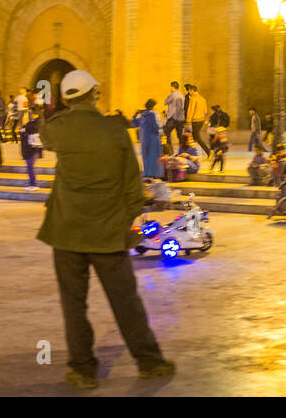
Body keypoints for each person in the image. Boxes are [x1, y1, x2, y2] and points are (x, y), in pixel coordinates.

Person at [37, 69, 174, 389]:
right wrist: (127, 221)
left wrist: (55, 105)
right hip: (108, 233)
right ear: (94, 94)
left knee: (73, 304)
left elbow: (45, 133)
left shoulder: (59, 129)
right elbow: (131, 184)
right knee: (126, 300)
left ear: (68, 100)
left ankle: (82, 370)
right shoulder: (114, 130)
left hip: (66, 232)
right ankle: (149, 362)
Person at [130, 99, 163, 179]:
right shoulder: (154, 114)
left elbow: (133, 123)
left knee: (146, 156)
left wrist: (135, 114)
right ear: (153, 106)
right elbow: (156, 126)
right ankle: (154, 174)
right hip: (153, 138)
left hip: (144, 139)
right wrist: (160, 132)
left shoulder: (142, 115)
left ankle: (147, 173)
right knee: (154, 156)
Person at [20, 106, 44, 192]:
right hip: (28, 148)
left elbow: (33, 129)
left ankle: (34, 184)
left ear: (36, 114)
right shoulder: (28, 123)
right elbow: (23, 131)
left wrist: (25, 130)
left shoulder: (39, 122)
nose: (30, 115)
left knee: (30, 165)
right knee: (29, 165)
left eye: (31, 113)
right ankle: (32, 184)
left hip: (35, 148)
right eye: (29, 113)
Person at [184, 84, 210, 157]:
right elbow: (205, 111)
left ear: (192, 90)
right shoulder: (202, 99)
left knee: (196, 137)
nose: (189, 92)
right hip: (201, 120)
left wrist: (188, 121)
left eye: (189, 91)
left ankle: (208, 152)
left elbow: (190, 110)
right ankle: (193, 153)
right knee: (194, 137)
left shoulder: (193, 98)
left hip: (195, 120)